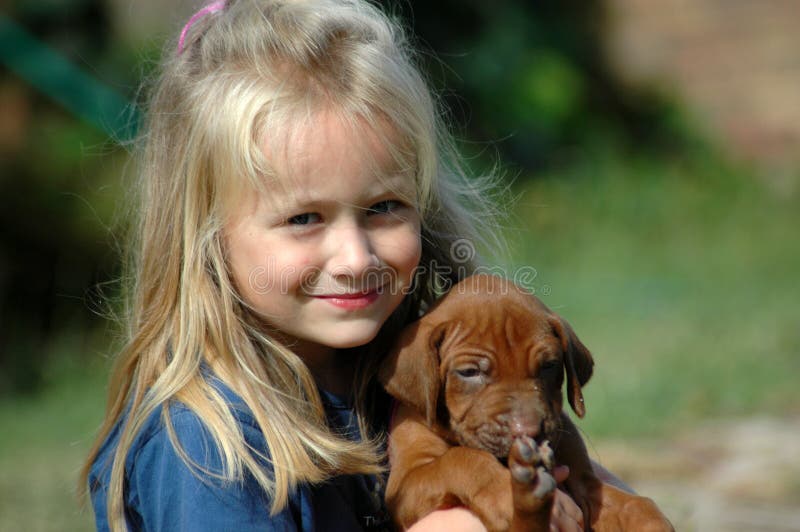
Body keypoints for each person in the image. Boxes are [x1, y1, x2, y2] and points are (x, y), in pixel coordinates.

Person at [81, 0, 588, 530]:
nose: (355, 258)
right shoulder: (207, 449)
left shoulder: (408, 370)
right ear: (207, 240)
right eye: (304, 218)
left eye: (384, 207)